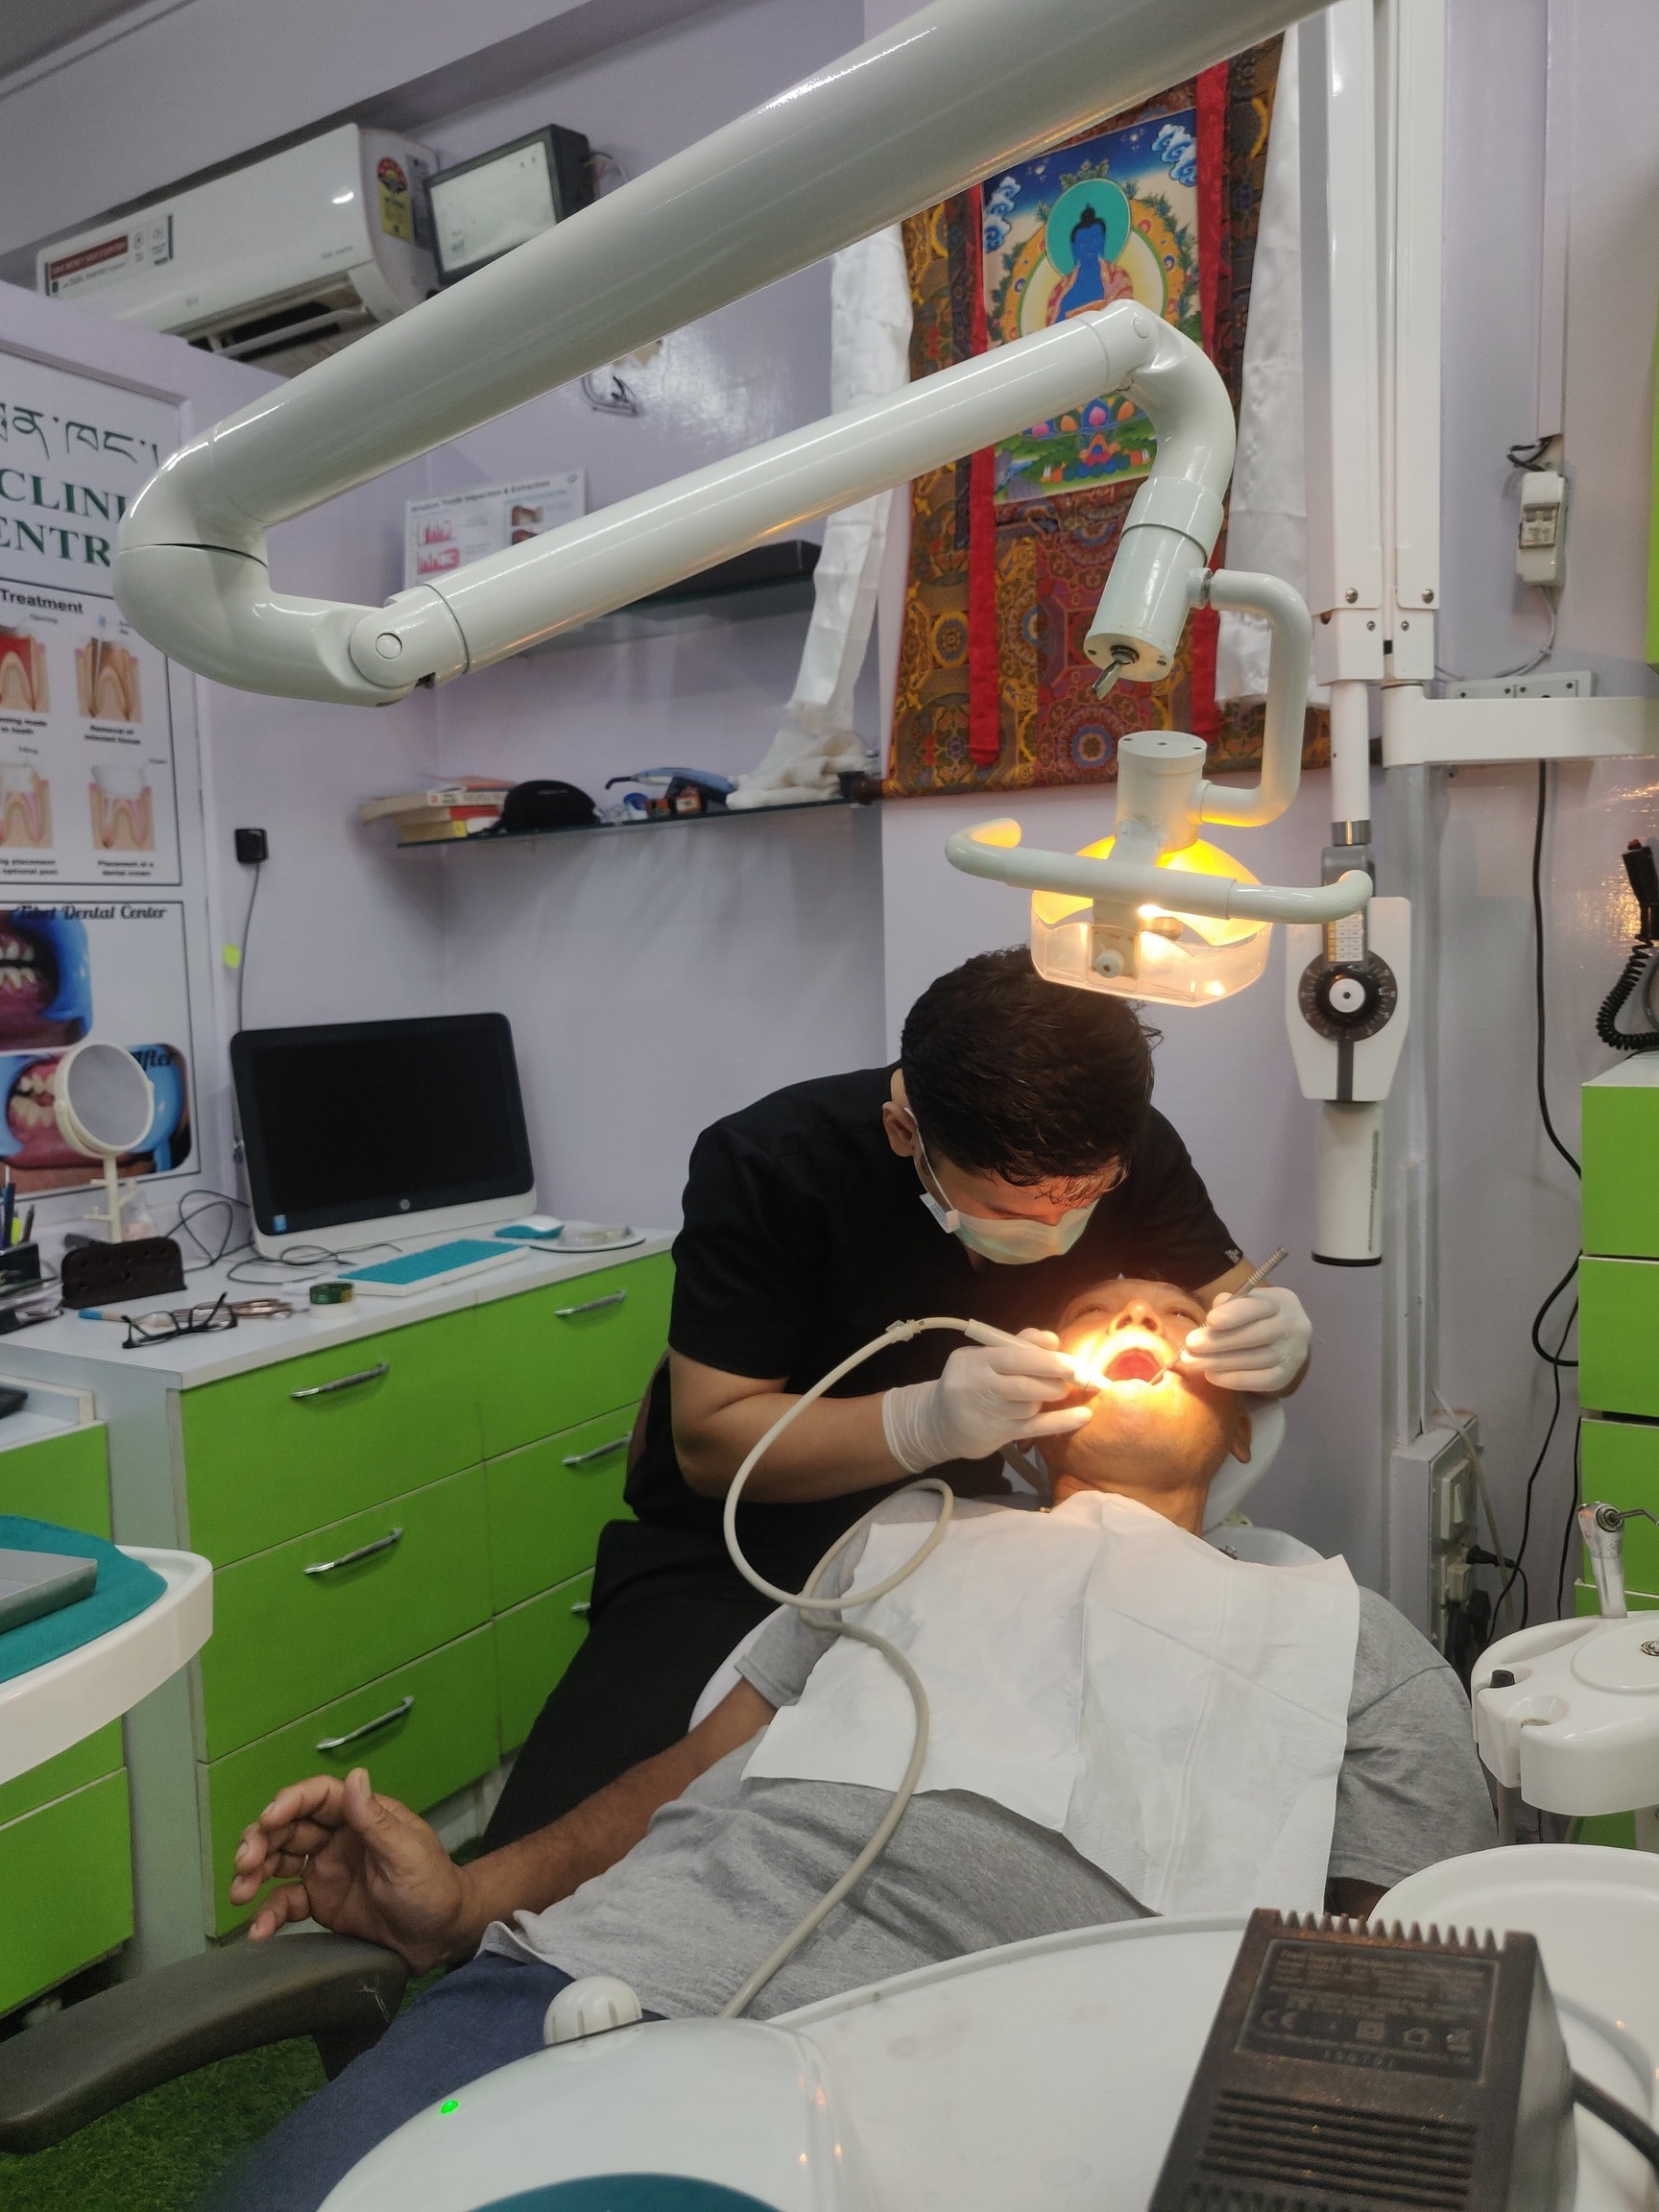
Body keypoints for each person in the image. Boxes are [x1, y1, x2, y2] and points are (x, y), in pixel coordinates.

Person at [214, 1275, 1488, 2212]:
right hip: (599, 1990)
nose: (1142, 1328)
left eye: (1177, 1319)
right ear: (1032, 1411)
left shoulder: (1345, 1637)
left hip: (999, 2103)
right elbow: (686, 1776)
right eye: (1104, 1318)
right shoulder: (903, 1540)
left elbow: (1409, 2006)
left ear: (1244, 1416)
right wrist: (461, 1901)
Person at [484, 948, 1312, 1851]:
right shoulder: (771, 1164)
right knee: (576, 1829)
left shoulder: (1123, 1143)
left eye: (1082, 1197)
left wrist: (1281, 1347)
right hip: (735, 1554)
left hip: (955, 1537)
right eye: (1012, 1206)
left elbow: (1234, 1311)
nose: (1055, 1224)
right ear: (904, 1132)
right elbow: (711, 1444)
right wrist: (923, 1422)